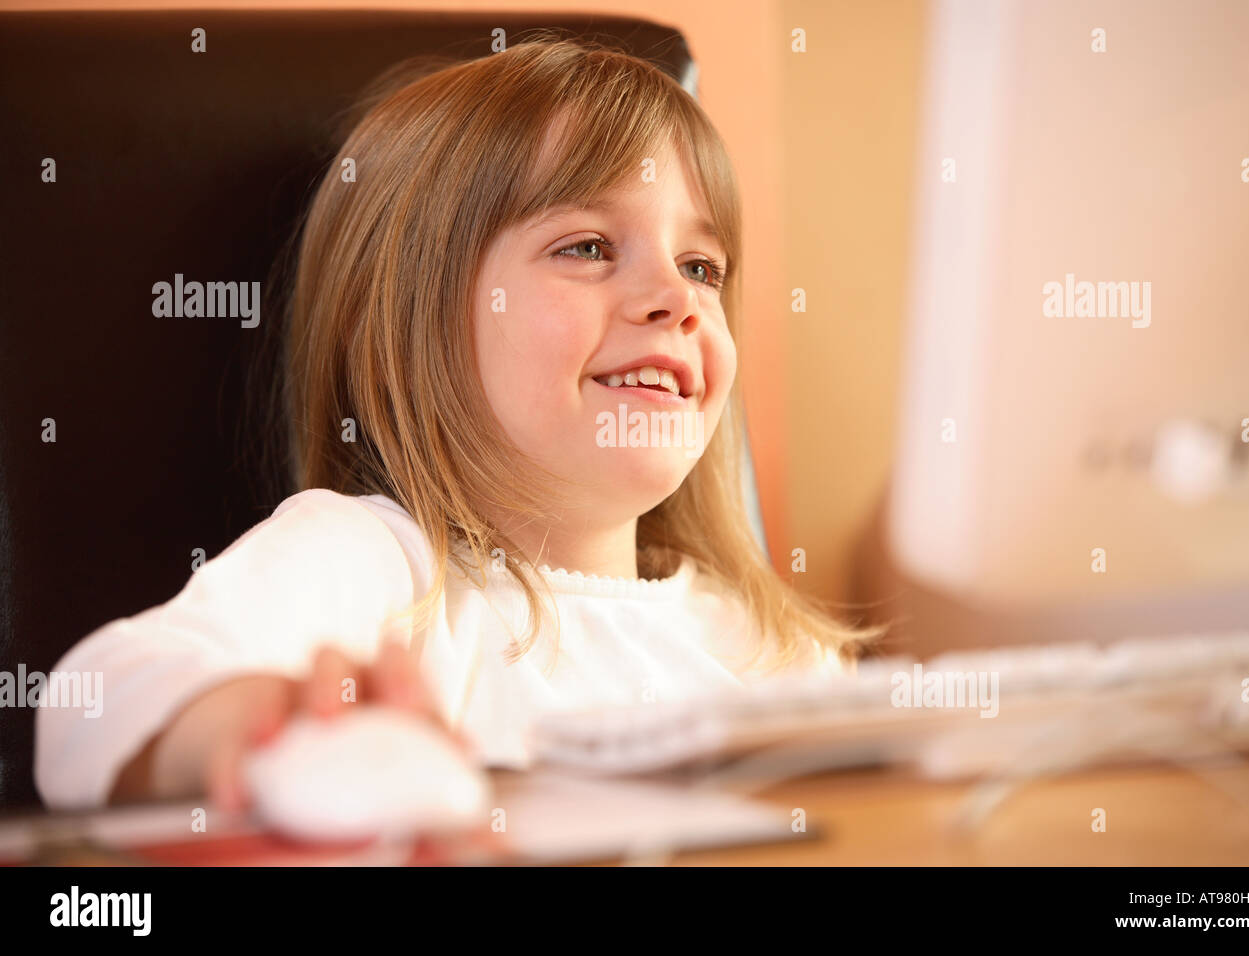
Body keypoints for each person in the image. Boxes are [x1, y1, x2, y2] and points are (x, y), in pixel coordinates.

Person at [34, 34, 884, 812]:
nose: (678, 301)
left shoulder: (772, 643)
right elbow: (94, 699)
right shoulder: (374, 565)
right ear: (413, 316)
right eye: (587, 246)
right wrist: (254, 723)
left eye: (701, 265)